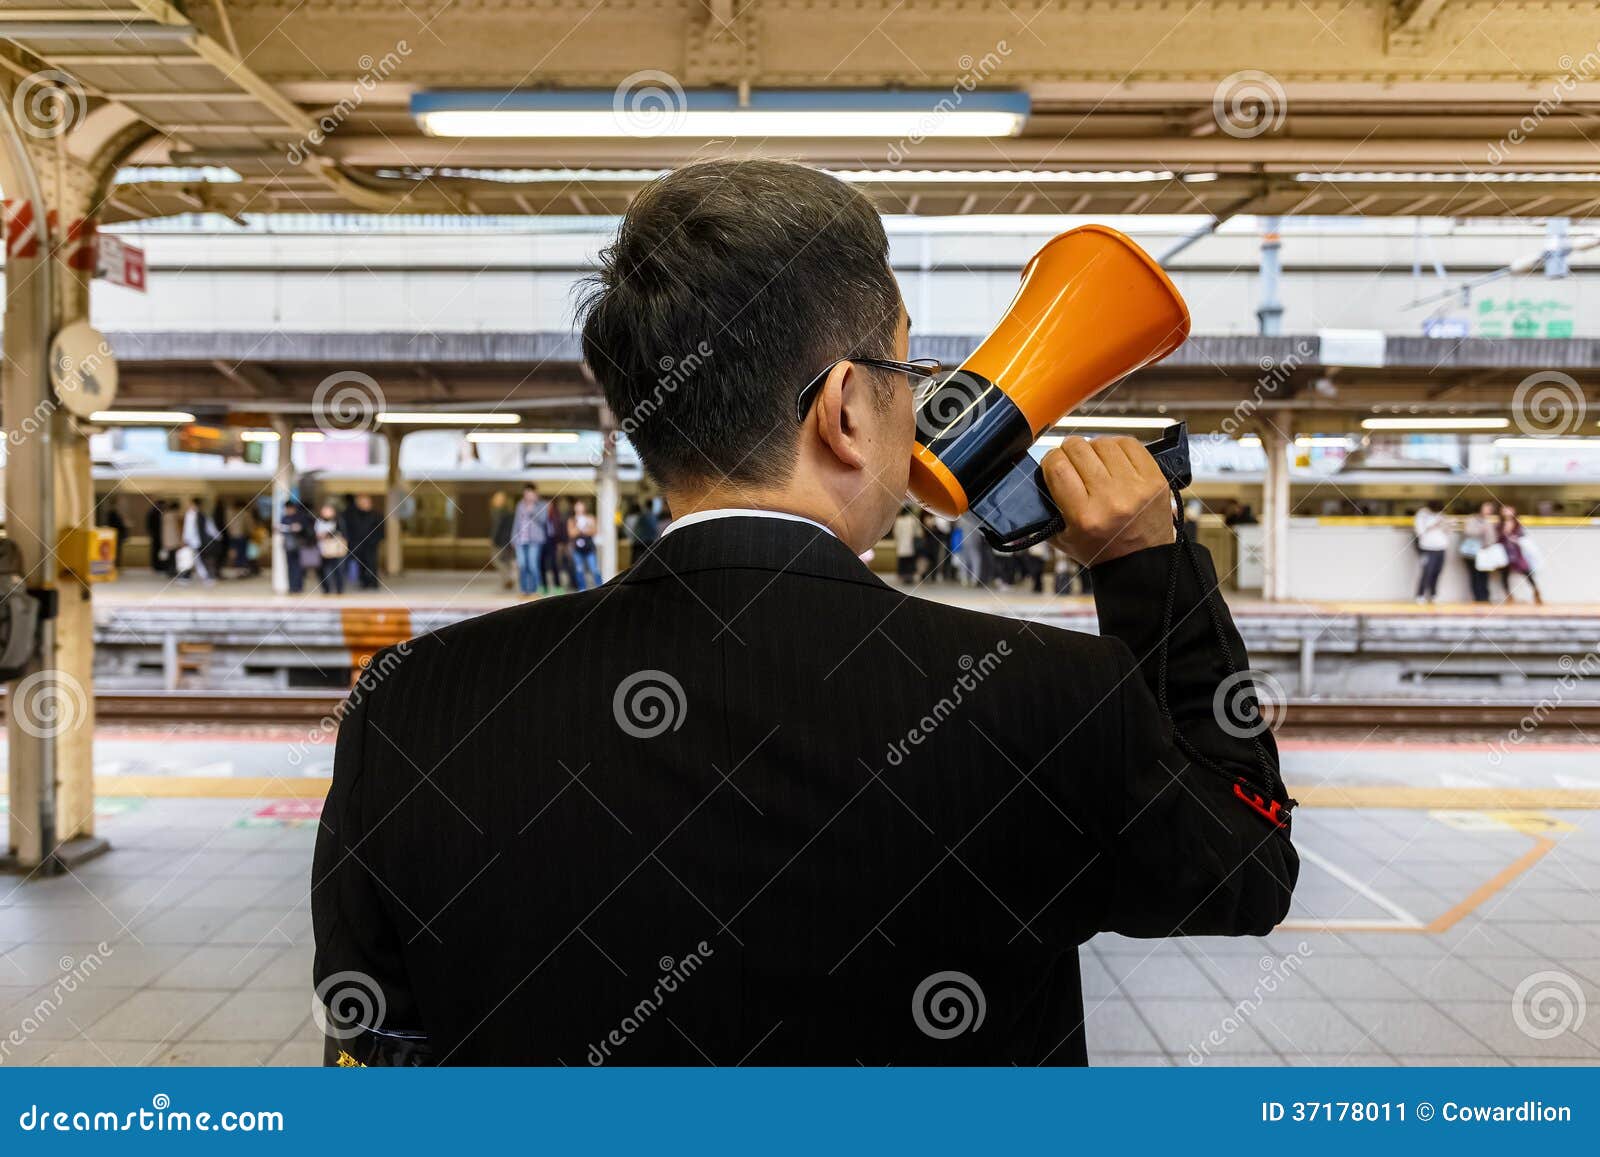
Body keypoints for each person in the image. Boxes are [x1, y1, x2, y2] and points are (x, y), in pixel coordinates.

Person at [314, 160, 1296, 1068]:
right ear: (844, 408)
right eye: (906, 376)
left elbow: (373, 1050)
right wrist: (1146, 567)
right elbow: (1246, 866)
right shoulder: (1048, 697)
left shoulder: (413, 706)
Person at [1497, 504, 1543, 605]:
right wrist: (1504, 532)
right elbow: (1497, 538)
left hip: (1517, 552)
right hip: (1505, 553)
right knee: (1504, 574)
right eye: (1505, 510)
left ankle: (1536, 592)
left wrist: (1515, 538)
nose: (1507, 512)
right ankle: (1509, 597)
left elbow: (1523, 536)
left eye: (1509, 510)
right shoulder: (1499, 525)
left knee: (1527, 571)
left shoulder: (1518, 524)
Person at [511, 484, 548, 596]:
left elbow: (543, 521)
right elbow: (516, 521)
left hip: (535, 541)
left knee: (533, 565)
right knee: (522, 565)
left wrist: (532, 511)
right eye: (526, 494)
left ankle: (536, 590)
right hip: (521, 540)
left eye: (531, 493)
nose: (528, 496)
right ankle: (524, 590)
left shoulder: (541, 505)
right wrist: (513, 537)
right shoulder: (520, 505)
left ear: (535, 494)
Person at [344, 494, 385, 591]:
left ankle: (373, 583)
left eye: (366, 502)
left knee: (372, 564)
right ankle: (364, 582)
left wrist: (374, 541)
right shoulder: (352, 515)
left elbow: (381, 531)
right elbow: (349, 530)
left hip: (371, 545)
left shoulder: (377, 515)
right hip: (357, 544)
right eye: (361, 502)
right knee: (360, 564)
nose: (364, 504)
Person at [1412, 500, 1449, 604]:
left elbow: (1446, 531)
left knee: (1437, 571)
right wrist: (1434, 524)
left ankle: (1433, 595)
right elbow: (1420, 531)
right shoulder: (1422, 515)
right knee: (1427, 571)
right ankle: (1420, 595)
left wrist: (1445, 524)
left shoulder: (1442, 515)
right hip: (1427, 548)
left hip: (1441, 548)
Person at [1461, 500, 1497, 604]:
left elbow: (1492, 538)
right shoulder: (1471, 519)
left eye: (1490, 509)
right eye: (1487, 508)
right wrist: (1481, 530)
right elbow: (1468, 532)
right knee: (1475, 575)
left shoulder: (1489, 522)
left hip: (1484, 553)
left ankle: (1485, 597)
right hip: (1471, 553)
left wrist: (1488, 544)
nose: (1489, 510)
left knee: (1484, 576)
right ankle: (1478, 598)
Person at [178, 497, 216, 585]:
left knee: (197, 559)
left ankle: (204, 576)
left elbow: (188, 529)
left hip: (197, 541)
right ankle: (204, 576)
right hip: (194, 541)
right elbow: (188, 529)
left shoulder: (198, 515)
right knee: (193, 559)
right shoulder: (193, 514)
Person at [279, 499, 314, 594]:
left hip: (299, 545)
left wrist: (300, 528)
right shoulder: (284, 518)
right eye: (287, 508)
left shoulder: (301, 517)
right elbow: (281, 528)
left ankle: (299, 587)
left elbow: (308, 530)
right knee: (290, 567)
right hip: (288, 546)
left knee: (299, 567)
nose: (288, 510)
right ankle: (292, 587)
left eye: (290, 508)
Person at [315, 503, 349, 595]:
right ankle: (327, 589)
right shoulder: (318, 521)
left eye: (328, 511)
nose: (326, 513)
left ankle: (339, 589)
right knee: (324, 570)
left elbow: (343, 533)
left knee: (339, 570)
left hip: (337, 550)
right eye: (324, 511)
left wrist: (328, 534)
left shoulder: (339, 521)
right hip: (322, 550)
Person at [568, 499, 602, 591]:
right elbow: (571, 534)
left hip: (589, 547)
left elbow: (594, 531)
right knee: (579, 570)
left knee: (594, 569)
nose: (579, 508)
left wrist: (585, 528)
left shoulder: (590, 517)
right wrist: (580, 527)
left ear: (584, 508)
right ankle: (582, 590)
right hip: (577, 549)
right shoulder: (572, 520)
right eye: (577, 506)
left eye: (581, 506)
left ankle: (602, 588)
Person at [489, 491, 516, 591]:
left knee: (498, 560)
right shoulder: (503, 511)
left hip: (500, 541)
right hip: (505, 540)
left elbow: (497, 527)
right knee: (505, 561)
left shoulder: (500, 512)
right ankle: (508, 579)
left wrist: (493, 539)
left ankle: (508, 579)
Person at [892, 506, 920, 582]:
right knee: (910, 560)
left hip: (901, 544)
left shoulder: (898, 520)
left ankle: (902, 575)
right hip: (911, 544)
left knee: (902, 560)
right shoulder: (912, 520)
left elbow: (895, 533)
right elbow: (918, 533)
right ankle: (909, 575)